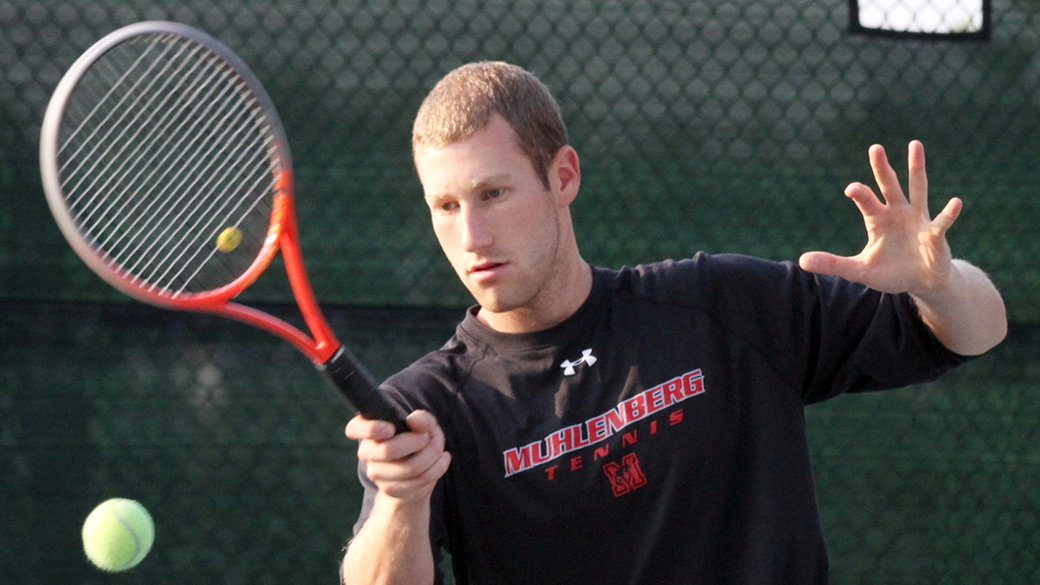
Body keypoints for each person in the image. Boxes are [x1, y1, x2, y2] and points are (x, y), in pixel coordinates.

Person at [340, 61, 1006, 584]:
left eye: (494, 193)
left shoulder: (722, 304)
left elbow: (977, 330)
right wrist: (403, 500)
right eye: (446, 205)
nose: (472, 234)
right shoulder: (425, 408)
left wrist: (939, 282)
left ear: (563, 175)